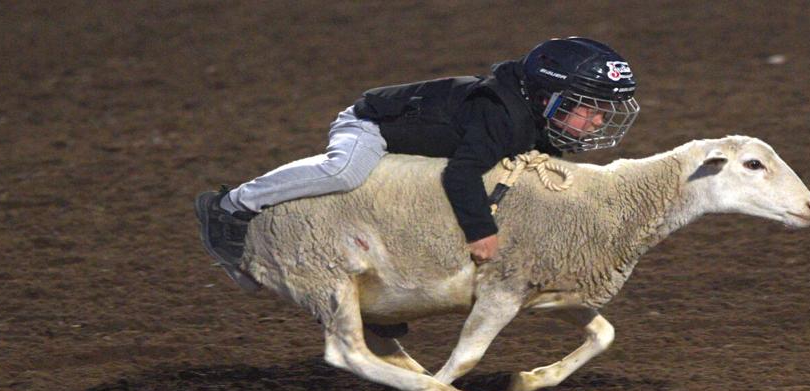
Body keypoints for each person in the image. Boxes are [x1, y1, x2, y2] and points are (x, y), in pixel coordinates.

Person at [196, 37, 639, 289]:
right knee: (346, 172)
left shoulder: (533, 119)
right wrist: (483, 232)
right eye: (590, 108)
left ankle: (382, 307)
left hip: (419, 153)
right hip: (373, 127)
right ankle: (233, 204)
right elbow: (461, 173)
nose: (598, 120)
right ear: (549, 97)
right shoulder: (500, 115)